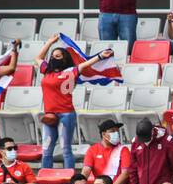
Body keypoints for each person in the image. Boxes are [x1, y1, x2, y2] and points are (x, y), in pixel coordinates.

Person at [38, 36, 115, 170]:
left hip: (66, 114)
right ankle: (46, 183)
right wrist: (49, 42)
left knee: (65, 148)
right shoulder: (46, 70)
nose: (54, 59)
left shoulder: (70, 71)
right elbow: (38, 58)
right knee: (46, 149)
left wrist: (101, 56)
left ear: (64, 58)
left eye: (58, 56)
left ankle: (70, 182)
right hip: (49, 114)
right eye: (53, 56)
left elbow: (86, 64)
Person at [83, 119, 132, 184]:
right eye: (112, 131)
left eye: (117, 131)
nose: (116, 133)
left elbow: (125, 174)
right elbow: (86, 171)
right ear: (103, 134)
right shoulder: (93, 150)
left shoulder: (123, 150)